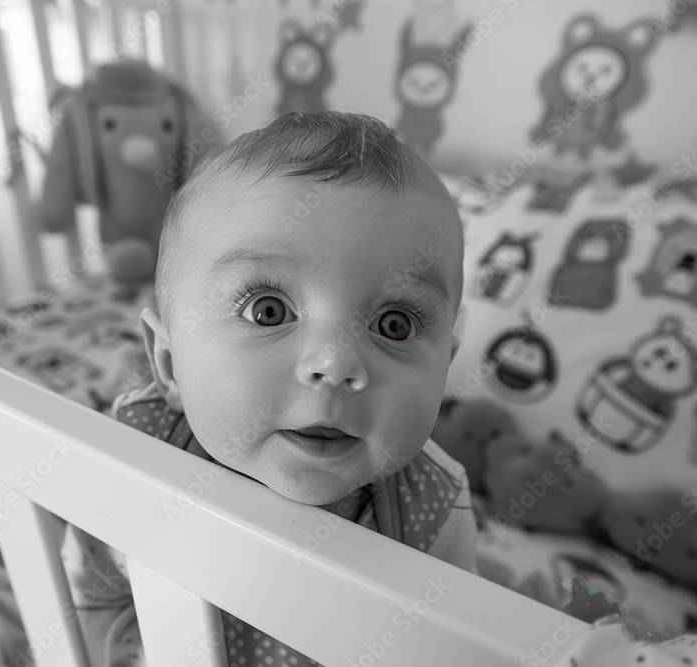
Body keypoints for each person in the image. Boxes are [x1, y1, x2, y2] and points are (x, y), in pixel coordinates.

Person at [62, 109, 477, 667]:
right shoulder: (136, 453)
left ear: (444, 368)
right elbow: (95, 591)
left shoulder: (433, 504)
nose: (334, 363)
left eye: (394, 324)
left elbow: (454, 645)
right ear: (168, 362)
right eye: (267, 310)